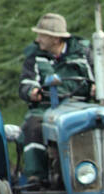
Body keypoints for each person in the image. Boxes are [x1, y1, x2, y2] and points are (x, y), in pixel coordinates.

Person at [17, 13, 94, 157]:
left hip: (80, 106)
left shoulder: (82, 53)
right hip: (46, 108)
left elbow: (98, 78)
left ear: (56, 39)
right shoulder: (34, 56)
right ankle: (36, 175)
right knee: (33, 126)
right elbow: (26, 83)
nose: (37, 39)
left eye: (42, 36)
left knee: (100, 121)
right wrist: (31, 91)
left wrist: (96, 87)